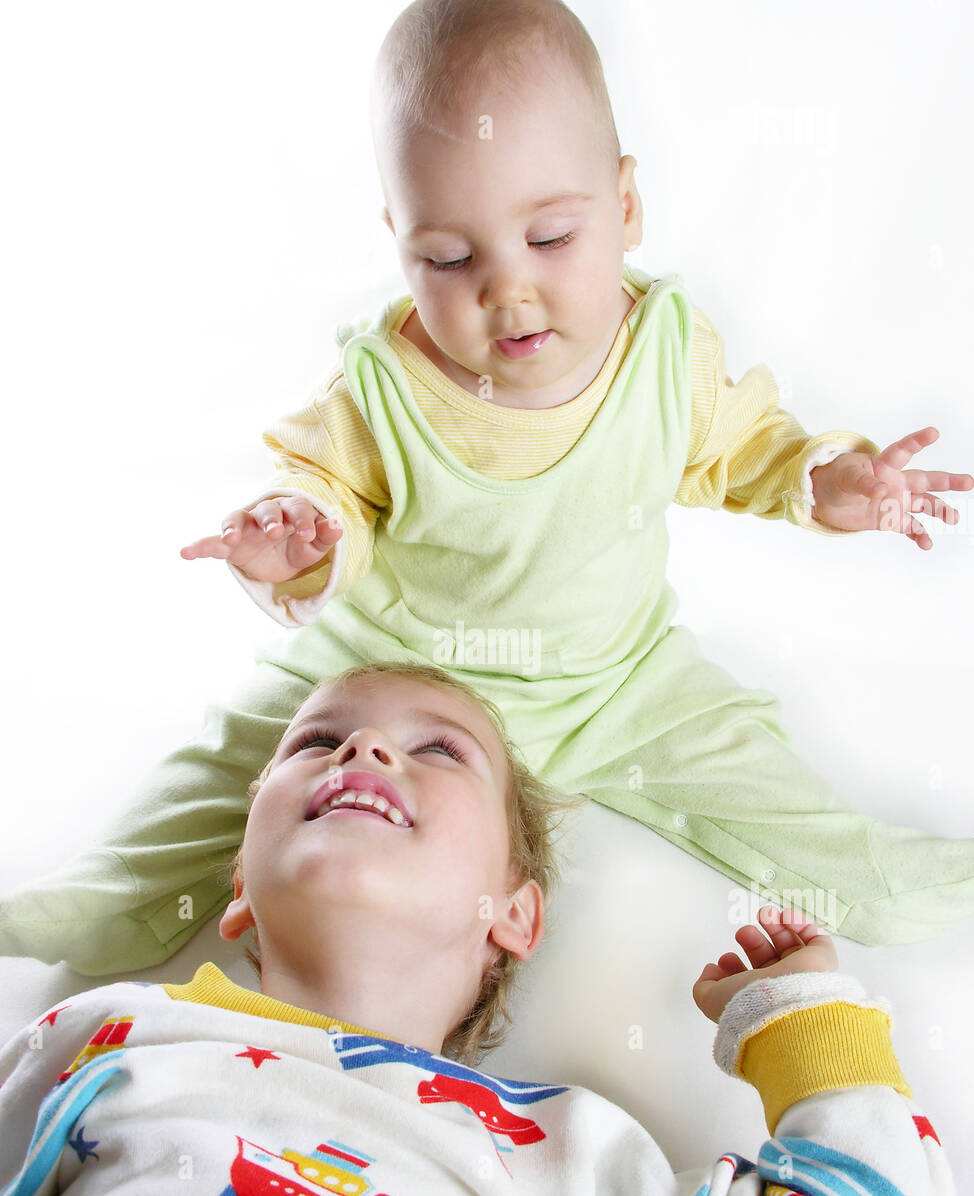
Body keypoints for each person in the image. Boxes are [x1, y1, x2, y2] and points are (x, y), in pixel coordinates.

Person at [3, 0, 974, 975]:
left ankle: (899, 880)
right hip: (385, 682)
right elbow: (321, 487)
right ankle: (95, 904)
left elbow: (742, 445)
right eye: (449, 258)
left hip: (610, 685)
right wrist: (302, 538)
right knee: (229, 772)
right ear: (397, 238)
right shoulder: (381, 387)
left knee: (762, 782)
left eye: (550, 237)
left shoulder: (666, 351)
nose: (507, 290)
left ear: (625, 202)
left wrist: (827, 477)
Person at [0, 663, 961, 1196]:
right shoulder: (109, 1033)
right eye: (312, 742)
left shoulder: (564, 1155)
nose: (362, 751)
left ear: (514, 913)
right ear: (240, 888)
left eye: (437, 749)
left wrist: (800, 1027)